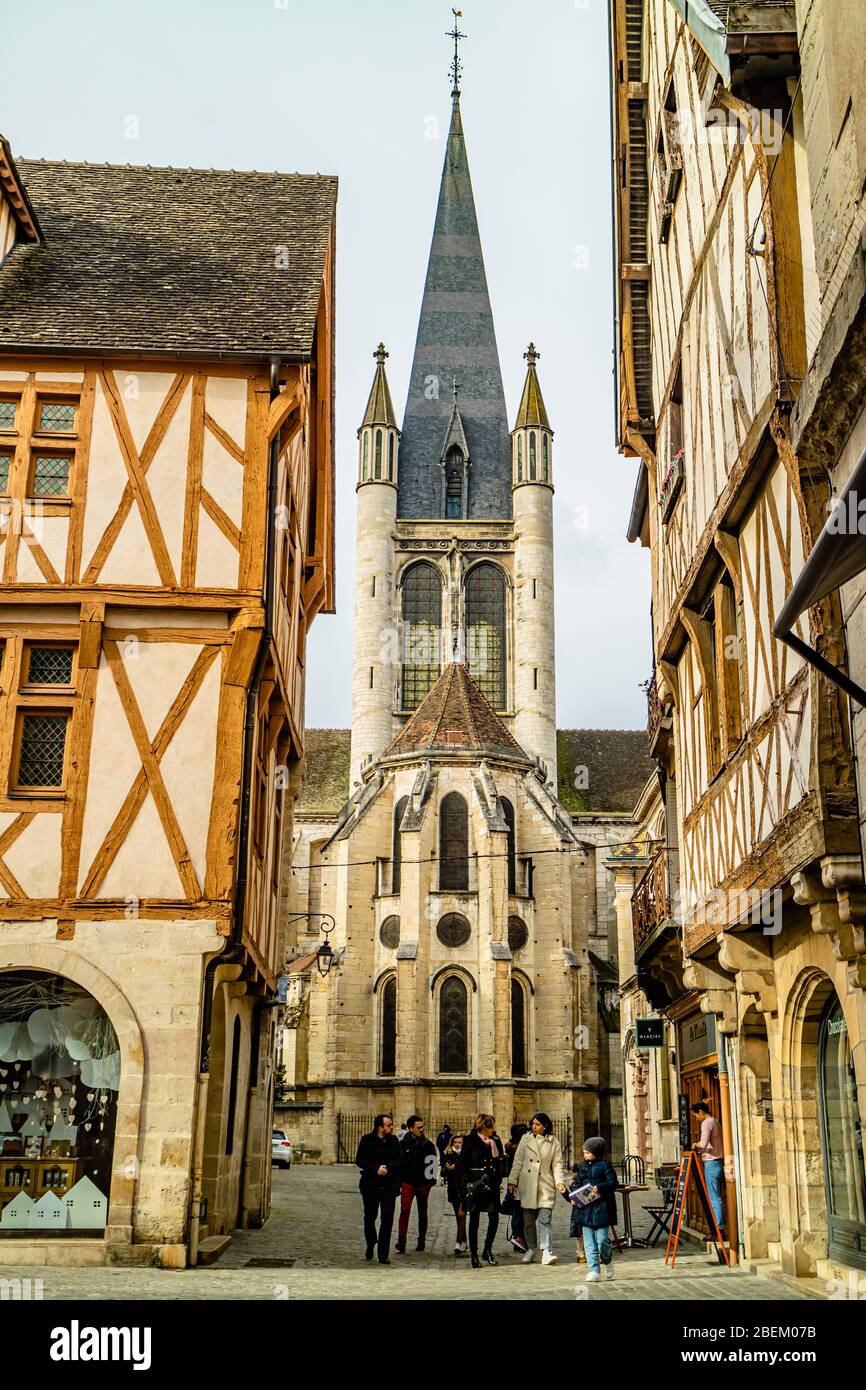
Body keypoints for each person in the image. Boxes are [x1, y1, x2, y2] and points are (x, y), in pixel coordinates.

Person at [507, 1112, 568, 1265]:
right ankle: (531, 1248)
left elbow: (557, 1163)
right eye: (533, 1124)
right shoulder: (525, 1139)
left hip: (545, 1184)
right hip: (527, 1184)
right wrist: (512, 1181)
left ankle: (546, 1251)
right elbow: (518, 1161)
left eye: (537, 1124)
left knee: (545, 1220)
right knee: (528, 1221)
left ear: (545, 1126)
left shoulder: (553, 1141)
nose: (534, 1127)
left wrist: (559, 1181)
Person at [569, 1136, 619, 1282]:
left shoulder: (605, 1166)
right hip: (585, 1209)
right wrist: (574, 1195)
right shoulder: (582, 1167)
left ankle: (608, 1262)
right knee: (589, 1244)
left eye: (587, 1152)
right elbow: (577, 1183)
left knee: (602, 1240)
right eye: (584, 1152)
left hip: (601, 1208)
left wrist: (600, 1188)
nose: (584, 1155)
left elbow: (613, 1183)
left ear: (596, 1152)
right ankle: (594, 1270)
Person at [355, 1113, 402, 1264]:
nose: (391, 1127)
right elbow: (360, 1160)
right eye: (388, 1125)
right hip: (371, 1185)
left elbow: (400, 1160)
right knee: (370, 1217)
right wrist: (376, 1168)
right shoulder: (367, 1140)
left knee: (387, 1220)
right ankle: (371, 1243)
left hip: (389, 1185)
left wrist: (388, 1167)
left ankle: (383, 1253)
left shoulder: (394, 1141)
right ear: (380, 1127)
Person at [460, 1113, 505, 1267]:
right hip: (476, 1183)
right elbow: (463, 1163)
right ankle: (474, 1254)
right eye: (491, 1126)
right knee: (474, 1219)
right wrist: (469, 1182)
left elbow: (499, 1161)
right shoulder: (470, 1140)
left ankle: (487, 1249)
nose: (493, 1129)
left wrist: (498, 1179)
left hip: (491, 1183)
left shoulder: (495, 1141)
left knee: (494, 1217)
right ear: (485, 1127)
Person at [395, 1115, 438, 1253]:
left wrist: (430, 1183)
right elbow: (399, 1163)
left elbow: (432, 1164)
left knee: (422, 1212)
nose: (422, 1129)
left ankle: (421, 1240)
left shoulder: (428, 1145)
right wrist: (400, 1181)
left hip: (423, 1184)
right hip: (407, 1182)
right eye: (419, 1127)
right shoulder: (402, 1144)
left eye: (422, 1126)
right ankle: (401, 1241)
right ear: (410, 1128)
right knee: (404, 1211)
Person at [691, 1101, 726, 1236]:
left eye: (696, 1116)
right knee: (717, 1196)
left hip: (711, 1163)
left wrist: (695, 1144)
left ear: (701, 1112)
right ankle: (719, 1227)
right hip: (718, 1161)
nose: (697, 1118)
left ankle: (718, 1229)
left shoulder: (706, 1123)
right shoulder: (715, 1121)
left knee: (714, 1197)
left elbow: (704, 1143)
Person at [504, 1123, 529, 1253]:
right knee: (519, 1212)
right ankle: (519, 1238)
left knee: (518, 1212)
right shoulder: (517, 1147)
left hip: (516, 1182)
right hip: (519, 1182)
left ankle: (518, 1238)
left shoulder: (510, 1146)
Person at [443, 1131, 468, 1254]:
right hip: (453, 1188)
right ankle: (464, 1241)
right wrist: (447, 1169)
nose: (457, 1144)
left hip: (465, 1188)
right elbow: (443, 1172)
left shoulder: (466, 1154)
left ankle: (458, 1242)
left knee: (461, 1214)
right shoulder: (448, 1154)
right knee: (459, 1218)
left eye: (460, 1142)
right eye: (455, 1142)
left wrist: (456, 1167)